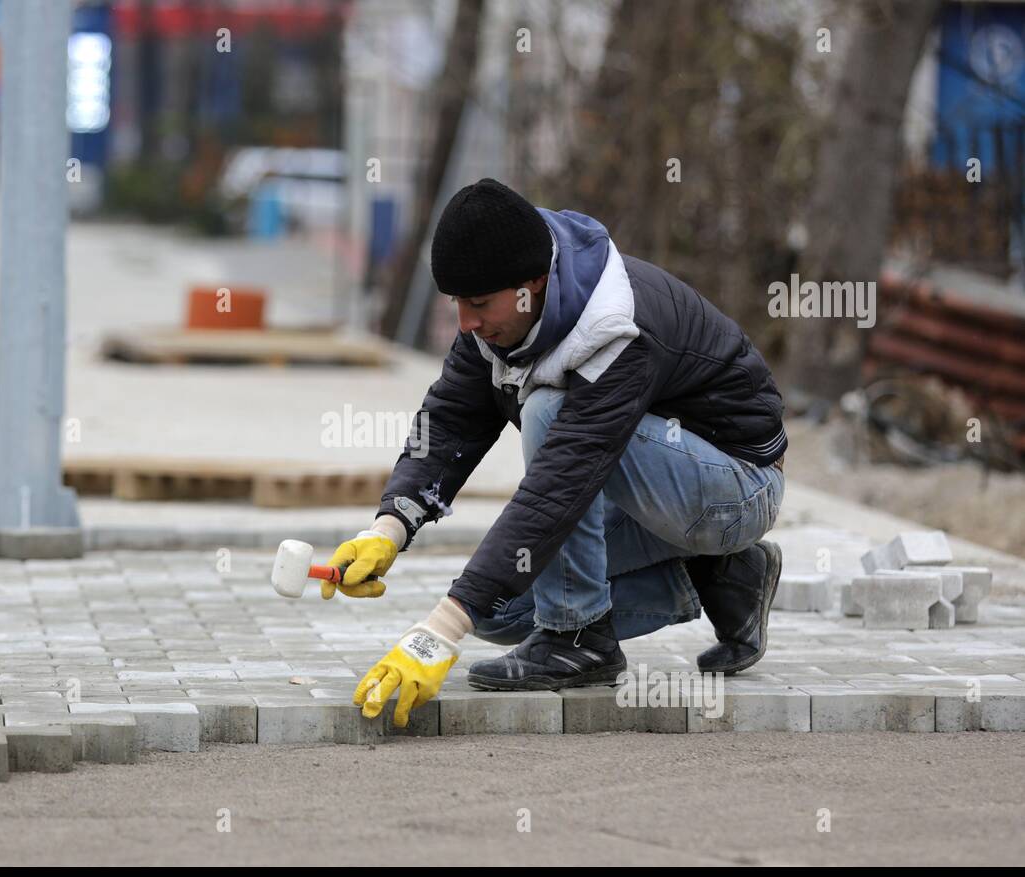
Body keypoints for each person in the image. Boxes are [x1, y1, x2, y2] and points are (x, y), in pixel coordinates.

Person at [329, 178, 786, 728]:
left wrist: (437, 634)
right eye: (456, 304)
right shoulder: (500, 316)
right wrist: (389, 526)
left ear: (534, 284)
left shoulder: (615, 327)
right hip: (655, 491)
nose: (466, 323)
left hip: (735, 488)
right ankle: (720, 578)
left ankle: (580, 638)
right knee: (501, 612)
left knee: (548, 413)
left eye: (477, 305)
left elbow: (558, 485)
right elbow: (451, 422)